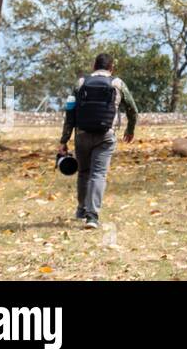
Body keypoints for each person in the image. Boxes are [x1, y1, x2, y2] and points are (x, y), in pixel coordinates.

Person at [58, 53, 138, 229]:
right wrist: (130, 130)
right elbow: (133, 109)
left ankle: (81, 209)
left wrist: (64, 140)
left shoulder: (80, 83)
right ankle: (92, 216)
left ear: (94, 66)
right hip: (106, 136)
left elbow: (70, 112)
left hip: (82, 135)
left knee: (84, 172)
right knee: (98, 174)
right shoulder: (118, 83)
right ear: (112, 67)